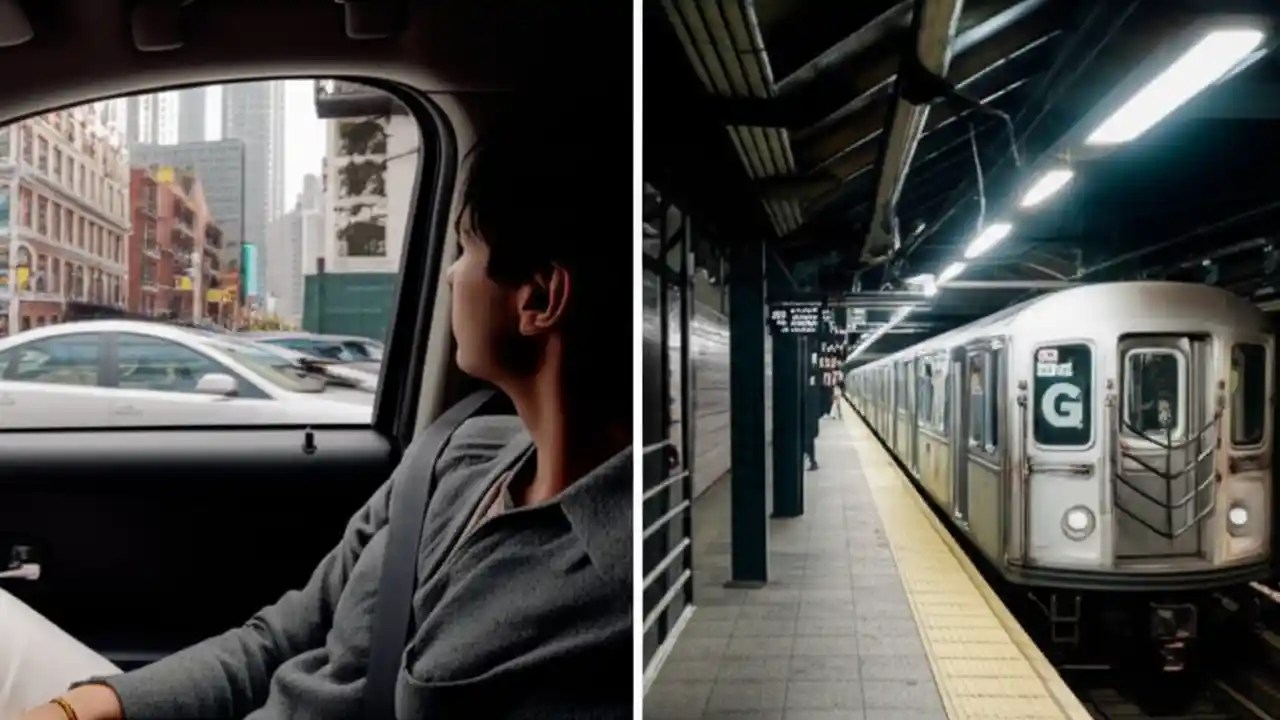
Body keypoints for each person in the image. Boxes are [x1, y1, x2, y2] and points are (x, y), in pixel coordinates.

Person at [6, 108, 633, 720]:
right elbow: (277, 640)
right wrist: (85, 706)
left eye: (466, 248)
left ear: (540, 298)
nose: (449, 277)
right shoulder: (451, 462)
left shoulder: (620, 589)